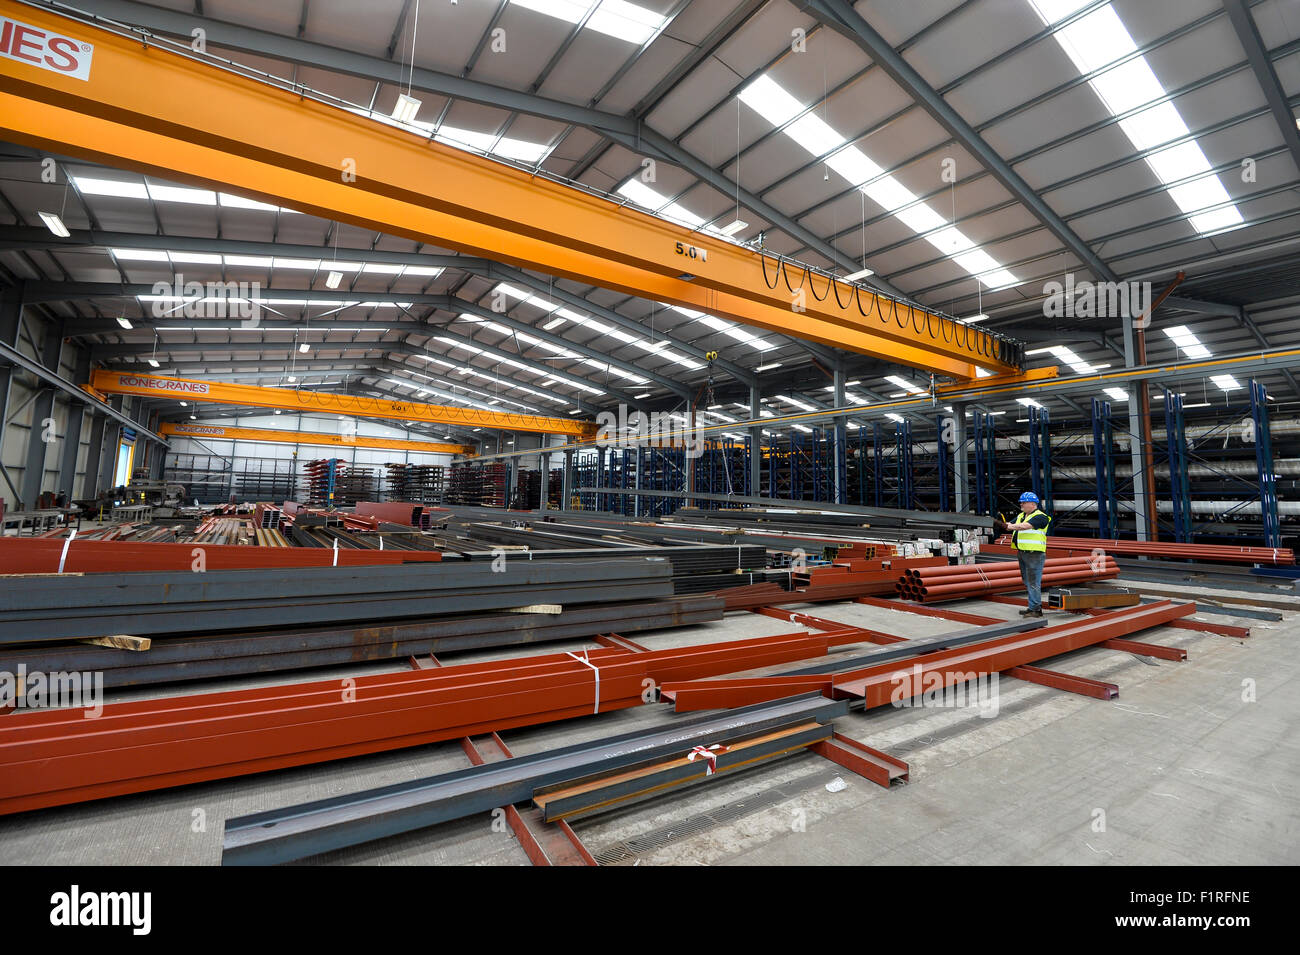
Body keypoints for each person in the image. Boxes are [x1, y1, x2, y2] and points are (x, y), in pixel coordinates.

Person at [1005, 491, 1051, 617]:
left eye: (1024, 502)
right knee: (1027, 581)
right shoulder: (1021, 516)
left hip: (1034, 554)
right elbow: (1011, 524)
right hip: (1023, 553)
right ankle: (1032, 607)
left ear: (1033, 504)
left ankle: (1036, 609)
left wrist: (1011, 526)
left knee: (1033, 582)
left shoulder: (1041, 517)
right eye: (1021, 502)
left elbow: (1024, 527)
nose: (1021, 504)